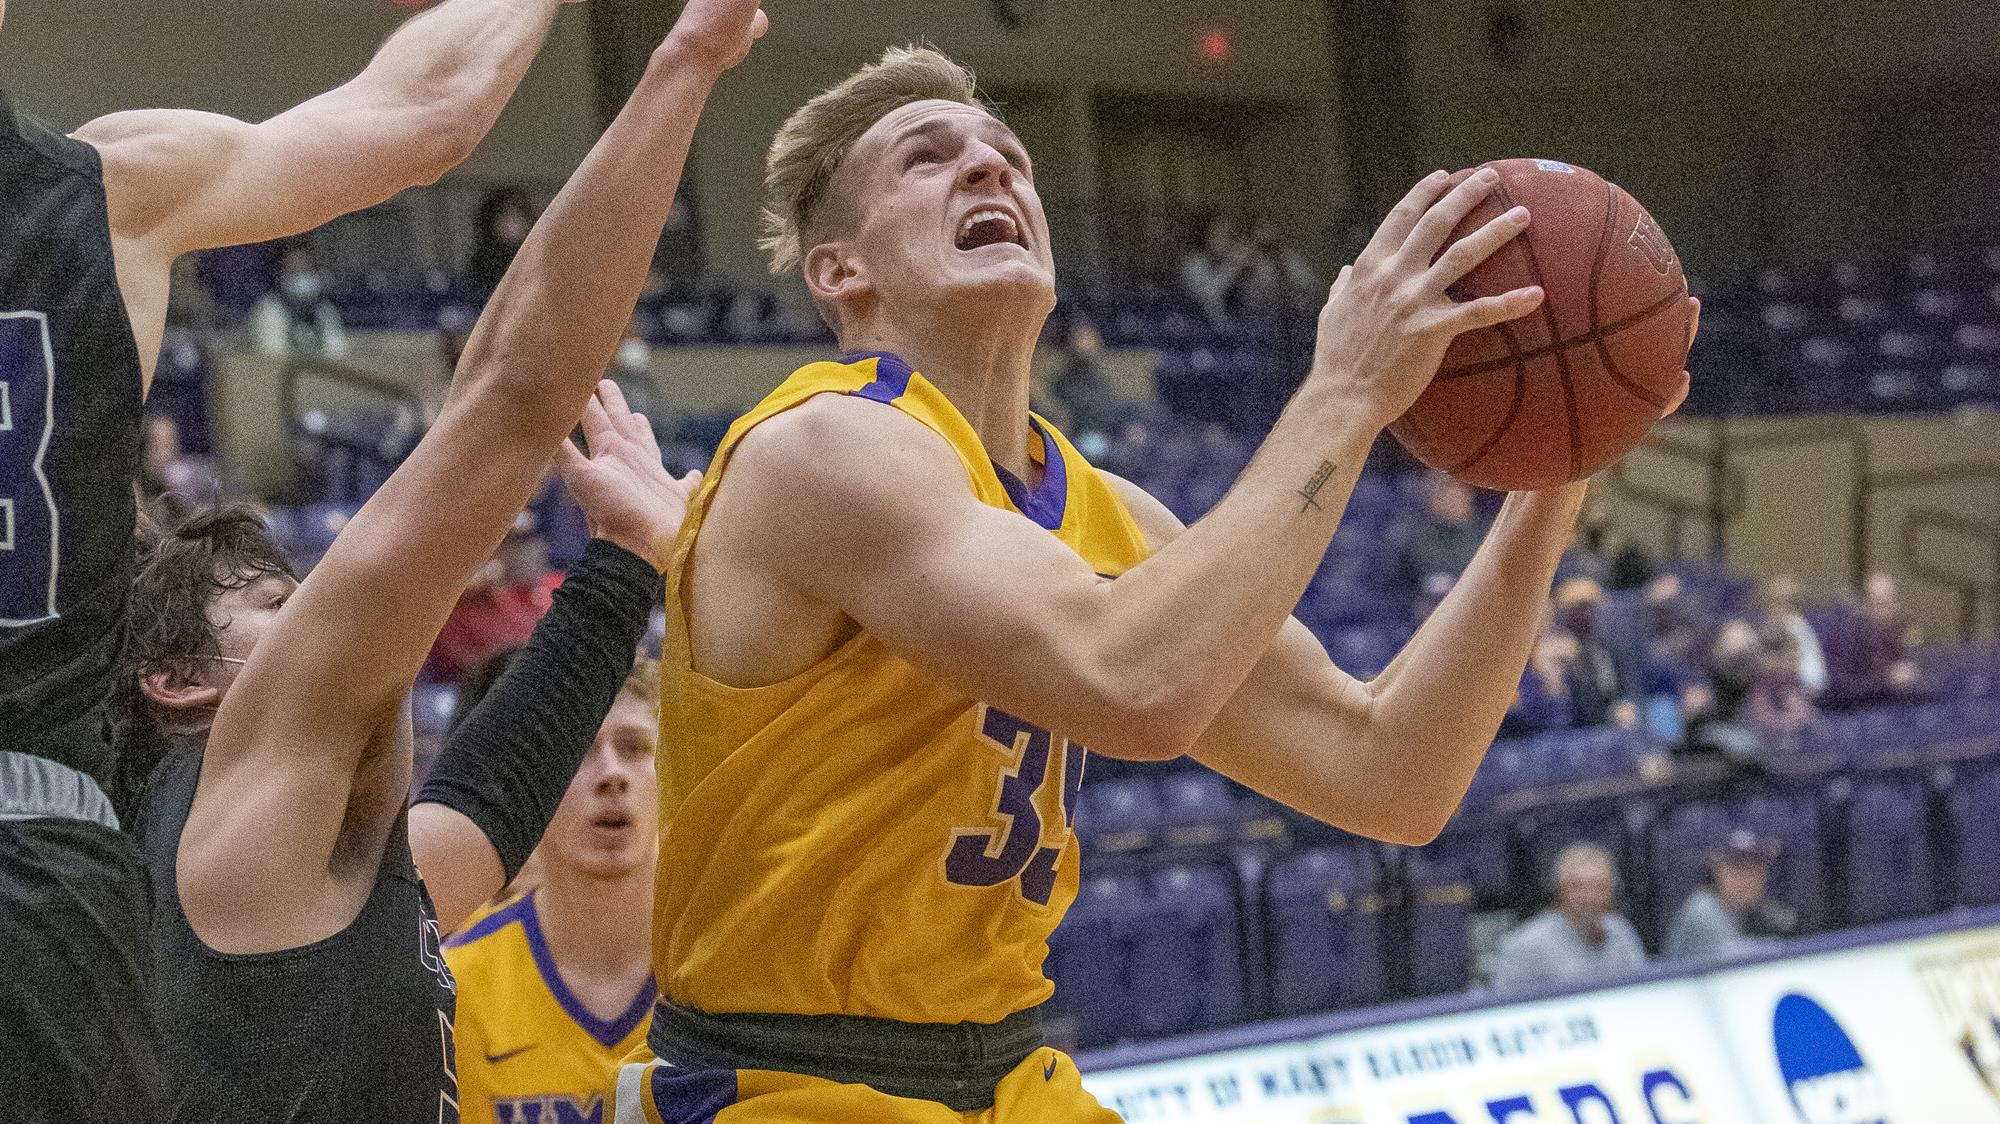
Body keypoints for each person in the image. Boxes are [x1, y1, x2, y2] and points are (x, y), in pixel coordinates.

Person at [618, 44, 1694, 1123]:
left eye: (1007, 156)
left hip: (1005, 1076)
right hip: (787, 1084)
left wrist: (1550, 485)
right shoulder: (821, 448)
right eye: (925, 158)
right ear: (839, 268)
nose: (988, 170)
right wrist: (1345, 390)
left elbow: (1389, 769)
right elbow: (1130, 684)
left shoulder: (1108, 513)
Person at [123, 4, 762, 1119]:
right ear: (177, 680)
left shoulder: (284, 871)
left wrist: (618, 562)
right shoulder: (235, 826)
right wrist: (684, 63)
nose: (324, 614)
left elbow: (488, 800)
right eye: (275, 602)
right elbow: (512, 394)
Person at [0, 0, 585, 1115]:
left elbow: (428, 111)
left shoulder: (112, 187)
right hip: (42, 873)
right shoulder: (118, 189)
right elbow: (428, 111)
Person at [447, 656, 662, 1124]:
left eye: (634, 746)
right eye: (579, 749)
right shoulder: (454, 984)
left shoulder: (728, 968)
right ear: (529, 783)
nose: (611, 773)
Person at [1490, 844, 1647, 994]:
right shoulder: (1525, 946)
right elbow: (1508, 1012)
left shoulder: (1621, 932)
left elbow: (1643, 992)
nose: (1590, 897)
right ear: (1561, 889)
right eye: (1579, 887)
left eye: (1600, 887)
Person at [1664, 828, 1798, 960]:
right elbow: (1734, 959)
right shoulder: (1702, 910)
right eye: (1737, 867)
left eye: (1755, 866)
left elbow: (1790, 922)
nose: (1748, 877)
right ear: (1717, 871)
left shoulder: (1748, 908)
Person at [1549, 577, 1640, 729]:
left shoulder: (1608, 644)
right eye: (1577, 609)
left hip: (1619, 713)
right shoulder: (1559, 648)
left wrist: (1628, 703)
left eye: (1589, 607)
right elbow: (1579, 705)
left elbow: (1629, 680)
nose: (1585, 614)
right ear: (1564, 612)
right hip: (1583, 724)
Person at [248, 243, 350, 359]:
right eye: (294, 270)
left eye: (306, 269)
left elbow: (337, 351)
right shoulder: (269, 310)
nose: (301, 274)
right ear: (281, 275)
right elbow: (272, 354)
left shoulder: (326, 310)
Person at [1394, 472, 1487, 598]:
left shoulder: (1486, 536)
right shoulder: (1416, 538)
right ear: (1433, 499)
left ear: (1468, 497)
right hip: (1428, 607)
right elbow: (1399, 584)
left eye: (1457, 494)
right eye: (1443, 494)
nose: (1451, 501)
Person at [466, 186, 538, 290]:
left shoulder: (533, 255)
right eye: (508, 213)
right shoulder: (484, 262)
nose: (516, 221)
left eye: (520, 213)